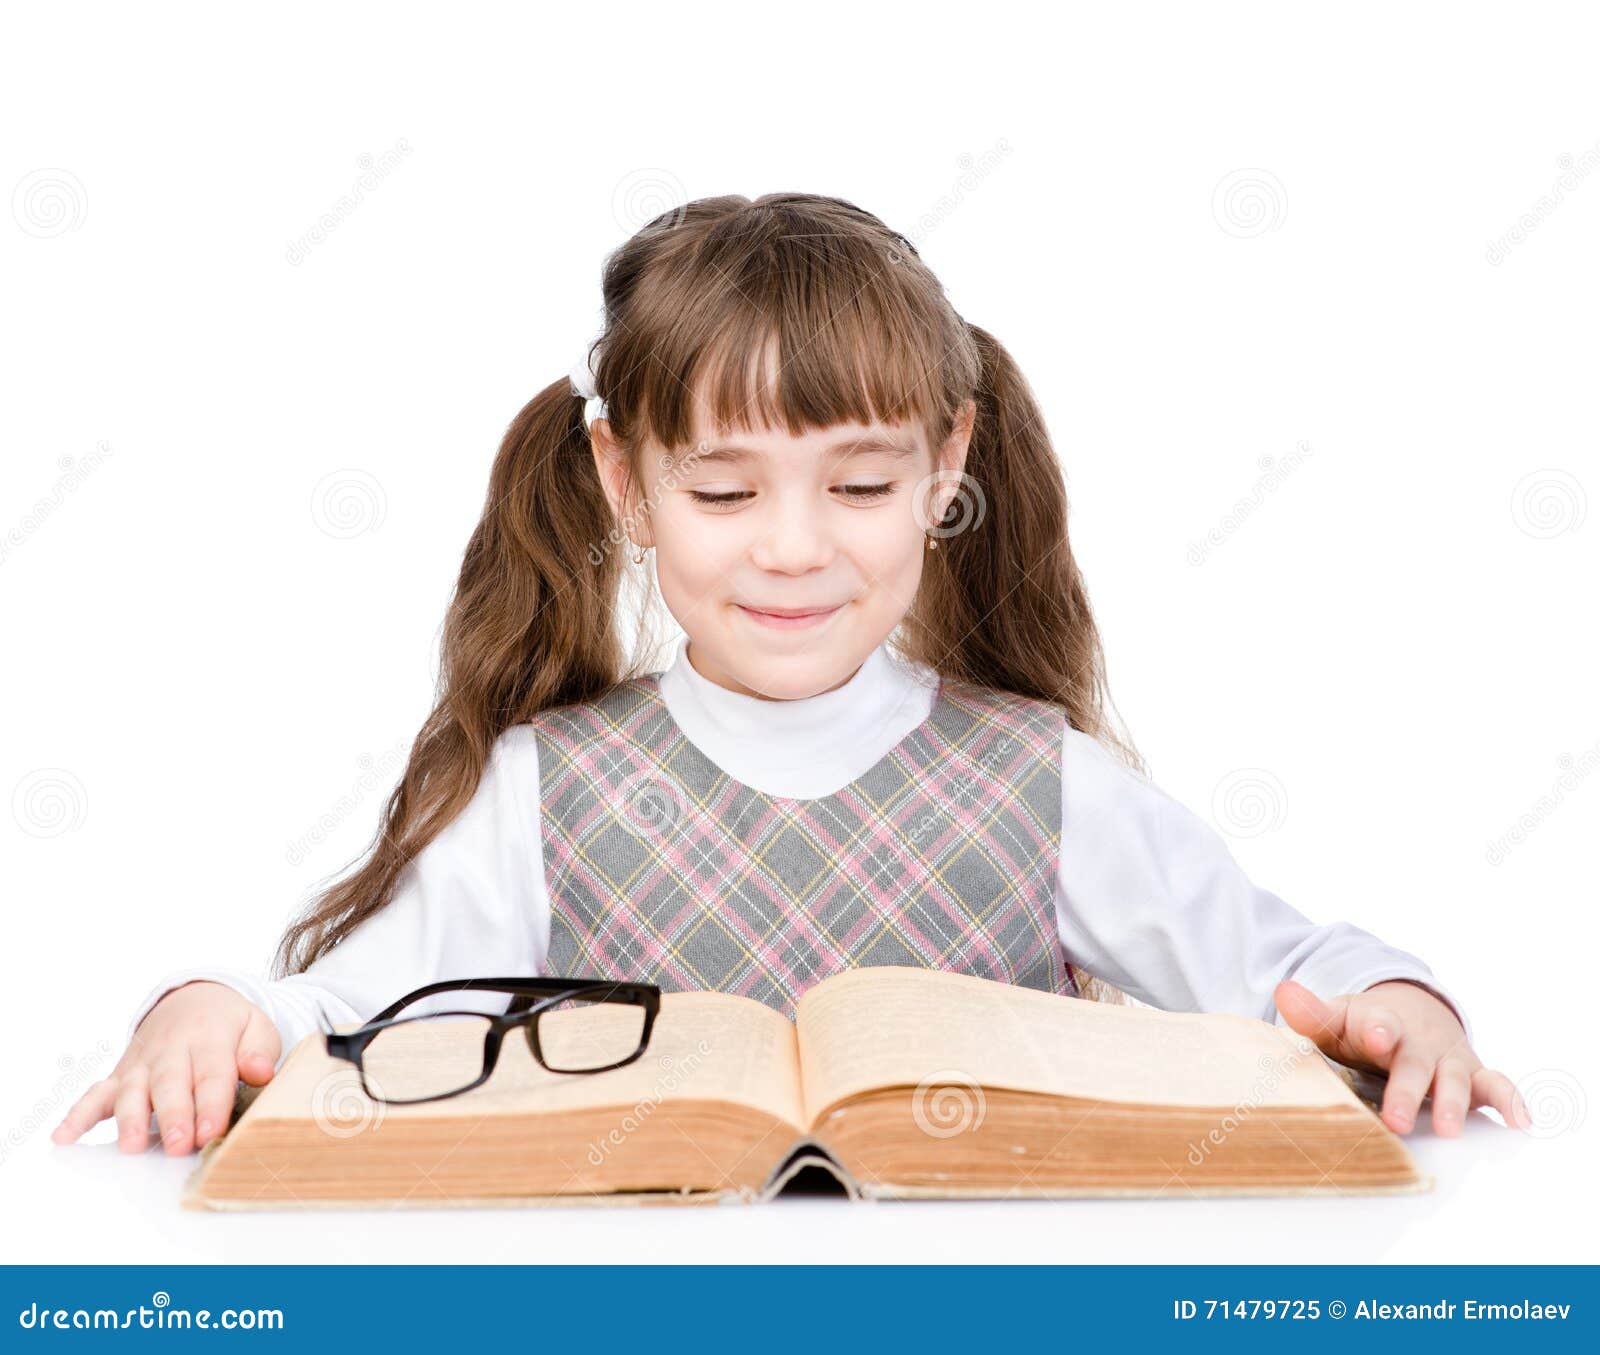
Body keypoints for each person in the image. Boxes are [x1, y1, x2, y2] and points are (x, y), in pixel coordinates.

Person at [52, 192, 1529, 1159]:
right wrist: (206, 1005)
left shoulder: (1038, 782)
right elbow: (349, 1013)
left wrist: (1398, 998)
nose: (795, 552)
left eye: (861, 486)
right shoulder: (553, 788)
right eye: (724, 493)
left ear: (947, 464)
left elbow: (1283, 972)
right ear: (625, 482)